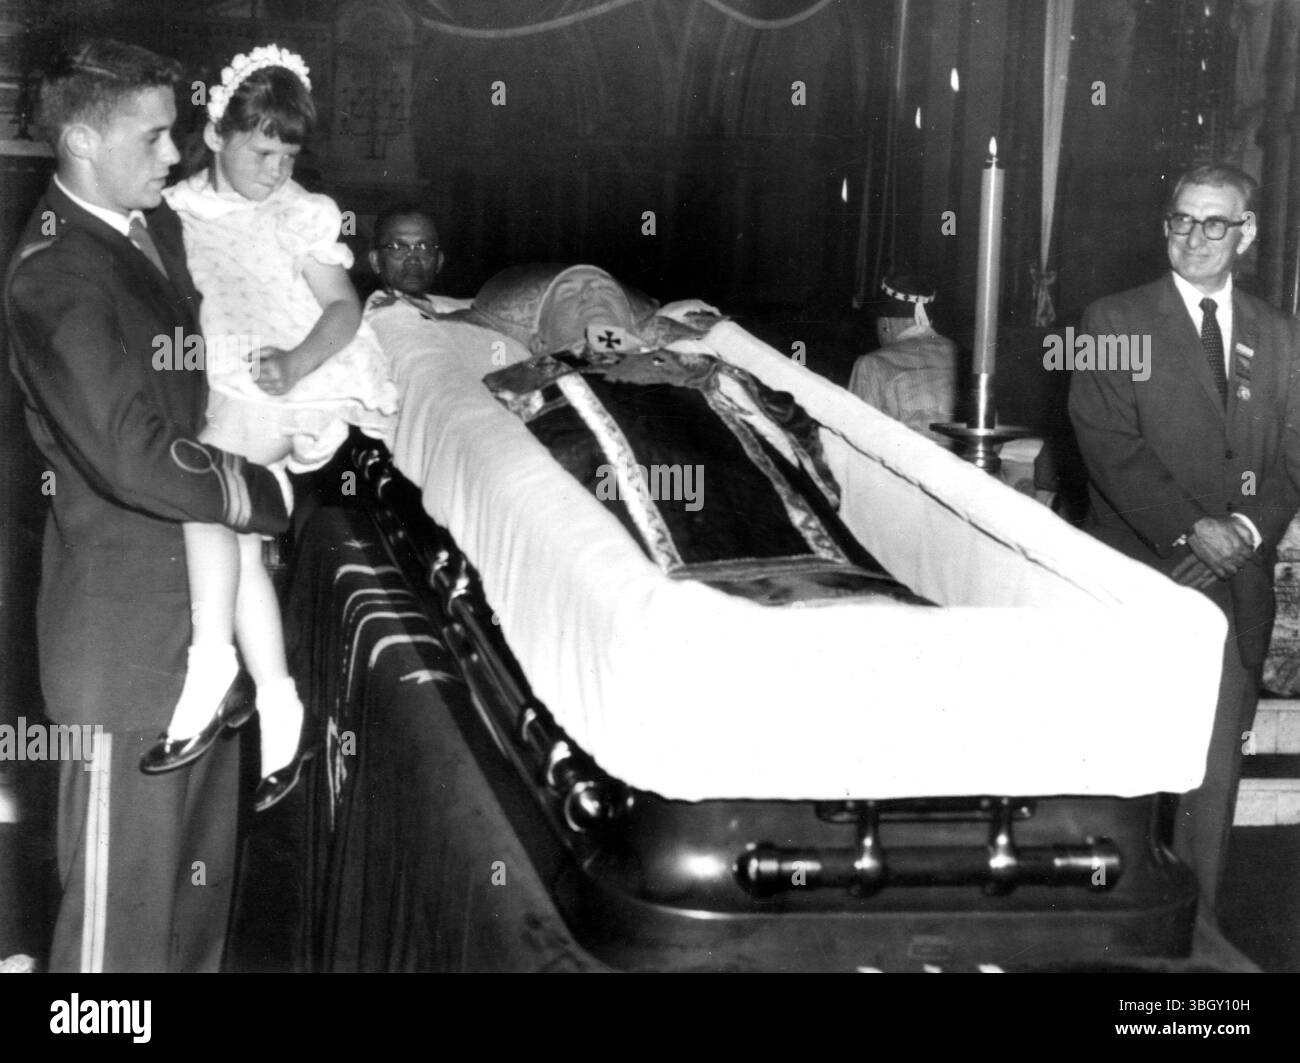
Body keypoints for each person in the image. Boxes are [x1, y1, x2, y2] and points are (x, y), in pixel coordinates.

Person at [4, 38, 289, 971]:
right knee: (113, 949)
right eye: (157, 135)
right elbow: (131, 454)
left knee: (189, 919)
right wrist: (262, 493)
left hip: (200, 631)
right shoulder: (53, 274)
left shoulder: (146, 228)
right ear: (82, 139)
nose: (178, 155)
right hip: (125, 648)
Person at [151, 44, 397, 810]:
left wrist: (294, 363)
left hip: (286, 383)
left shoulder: (301, 214)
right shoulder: (179, 205)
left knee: (202, 494)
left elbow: (344, 308)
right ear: (218, 135)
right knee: (244, 547)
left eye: (289, 154)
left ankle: (209, 663)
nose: (276, 169)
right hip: (225, 383)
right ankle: (282, 707)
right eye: (263, 150)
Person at [1068, 162, 1300, 944]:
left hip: (1236, 585)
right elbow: (1108, 447)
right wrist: (1192, 530)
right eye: (1179, 220)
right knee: (1122, 768)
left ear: (1248, 233)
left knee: (1213, 784)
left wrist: (1244, 532)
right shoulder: (1109, 319)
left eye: (1213, 223)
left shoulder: (1282, 336)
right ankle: (1104, 934)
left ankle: (1193, 945)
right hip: (1141, 574)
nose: (1192, 237)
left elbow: (1294, 458)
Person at [847, 274, 960, 447]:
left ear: (885, 323)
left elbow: (856, 443)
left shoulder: (872, 365)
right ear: (929, 320)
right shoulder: (964, 357)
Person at [367, 203, 448, 314]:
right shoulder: (355, 323)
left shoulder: (459, 317)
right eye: (398, 247)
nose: (413, 259)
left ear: (439, 260)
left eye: (423, 247)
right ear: (375, 260)